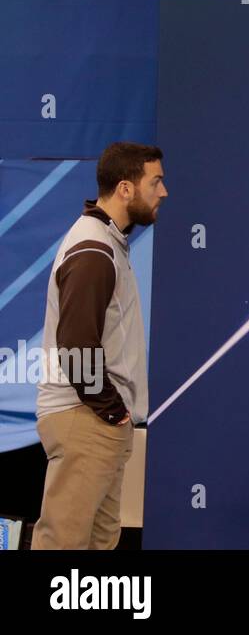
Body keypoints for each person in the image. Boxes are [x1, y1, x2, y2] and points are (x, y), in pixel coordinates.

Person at [31, 142, 166, 549]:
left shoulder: (106, 242)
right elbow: (74, 344)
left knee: (97, 542)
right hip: (85, 418)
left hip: (94, 420)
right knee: (64, 543)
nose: (164, 191)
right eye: (155, 181)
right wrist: (111, 412)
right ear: (125, 188)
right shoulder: (94, 249)